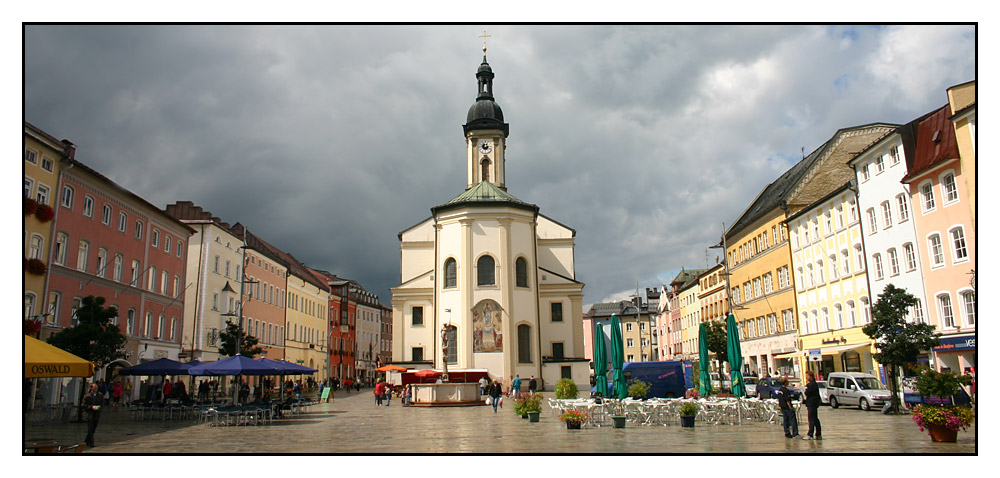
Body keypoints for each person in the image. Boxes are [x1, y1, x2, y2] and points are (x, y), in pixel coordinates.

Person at [82, 383, 104, 448]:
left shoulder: (100, 395)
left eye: (96, 388)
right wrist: (91, 407)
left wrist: (98, 407)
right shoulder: (87, 396)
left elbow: (102, 404)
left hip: (96, 415)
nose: (95, 389)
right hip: (89, 415)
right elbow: (83, 405)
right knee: (90, 428)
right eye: (94, 388)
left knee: (93, 429)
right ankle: (91, 443)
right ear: (91, 388)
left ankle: (87, 441)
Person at [803, 370, 822, 440]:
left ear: (810, 376)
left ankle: (810, 434)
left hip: (812, 403)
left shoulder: (812, 384)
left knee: (811, 419)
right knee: (815, 418)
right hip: (813, 403)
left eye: (807, 376)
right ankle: (818, 433)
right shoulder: (813, 384)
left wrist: (806, 391)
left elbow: (807, 392)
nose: (806, 378)